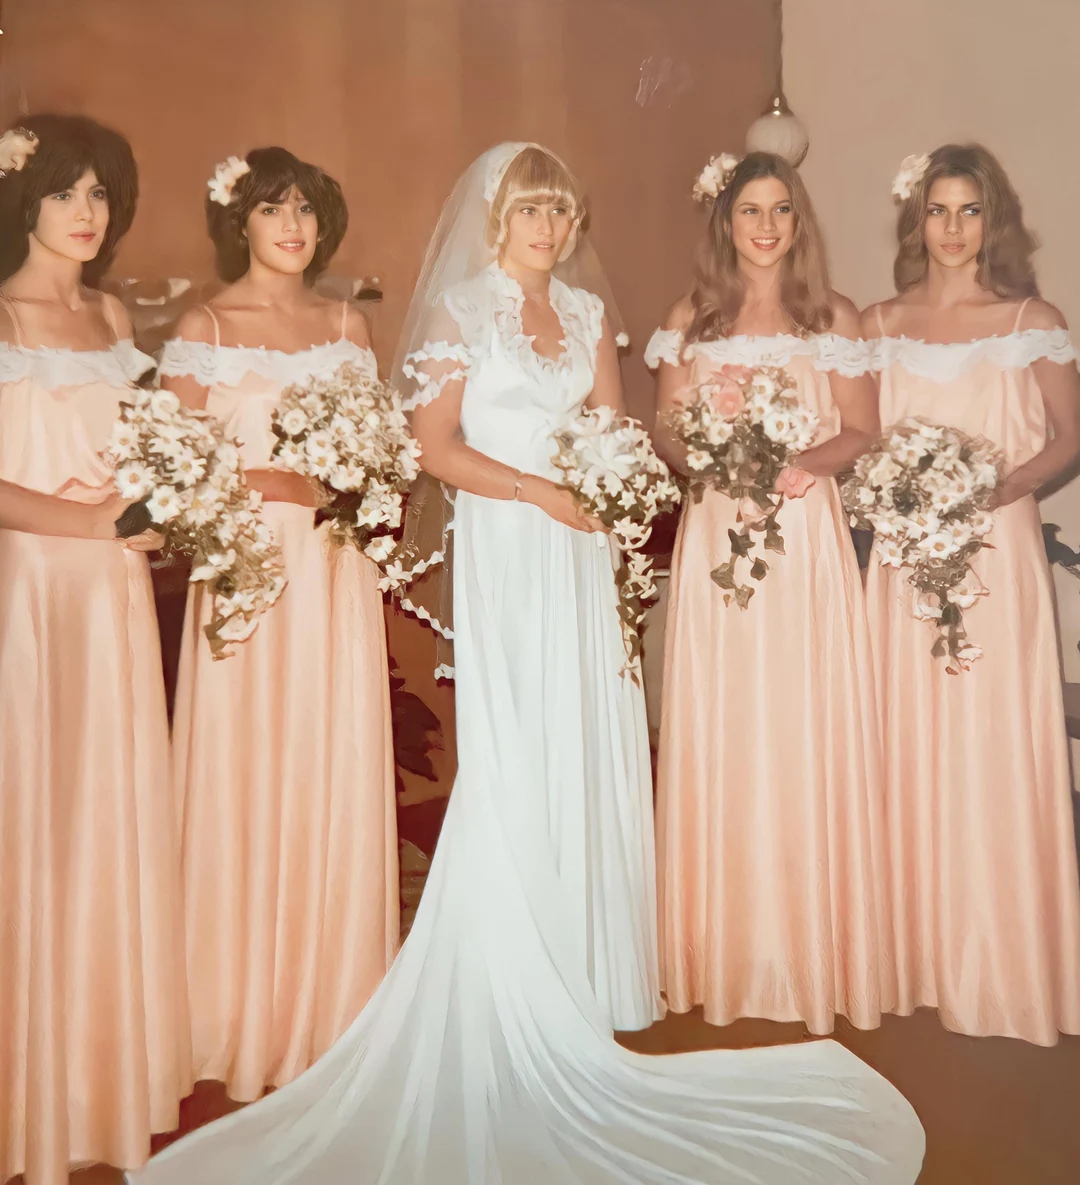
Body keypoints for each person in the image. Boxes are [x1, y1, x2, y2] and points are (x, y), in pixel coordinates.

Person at [129, 142, 924, 1185]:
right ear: (495, 220)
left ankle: (592, 971)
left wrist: (611, 476)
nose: (546, 232)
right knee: (515, 742)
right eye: (528, 213)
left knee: (586, 732)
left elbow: (613, 425)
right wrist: (539, 493)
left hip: (583, 549)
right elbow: (433, 446)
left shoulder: (591, 319)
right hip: (510, 547)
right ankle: (512, 965)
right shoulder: (462, 311)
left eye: (559, 215)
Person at [158, 146, 398, 1101]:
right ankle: (230, 1005)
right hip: (249, 571)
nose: (292, 226)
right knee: (245, 767)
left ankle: (332, 998)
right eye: (272, 210)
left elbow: (381, 463)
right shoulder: (204, 325)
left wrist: (356, 482)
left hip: (332, 576)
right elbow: (173, 475)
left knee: (327, 760)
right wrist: (274, 482)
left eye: (305, 210)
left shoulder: (348, 324)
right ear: (240, 223)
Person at [651, 150, 889, 1036]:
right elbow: (668, 430)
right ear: (726, 222)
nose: (764, 226)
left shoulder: (834, 315)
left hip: (801, 536)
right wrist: (711, 456)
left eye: (780, 210)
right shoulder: (690, 316)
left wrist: (799, 462)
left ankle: (810, 943)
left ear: (799, 222)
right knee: (725, 719)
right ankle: (723, 944)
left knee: (800, 717)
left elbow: (860, 428)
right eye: (749, 210)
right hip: (719, 526)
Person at [0, 113, 190, 1185]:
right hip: (31, 593)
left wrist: (165, 504)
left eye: (102, 196)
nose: (87, 214)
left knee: (108, 819)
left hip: (116, 594)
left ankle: (98, 1082)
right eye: (68, 192)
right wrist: (86, 524)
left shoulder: (114, 314)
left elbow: (147, 455)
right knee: (34, 822)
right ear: (24, 200)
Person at [863, 143, 1080, 1044]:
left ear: (995, 221)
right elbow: (855, 435)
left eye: (969, 212)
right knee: (905, 740)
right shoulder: (874, 323)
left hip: (998, 550)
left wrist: (991, 490)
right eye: (938, 212)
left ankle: (1002, 958)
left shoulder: (1032, 318)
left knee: (994, 744)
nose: (952, 230)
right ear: (916, 222)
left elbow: (1069, 439)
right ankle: (909, 954)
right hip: (905, 559)